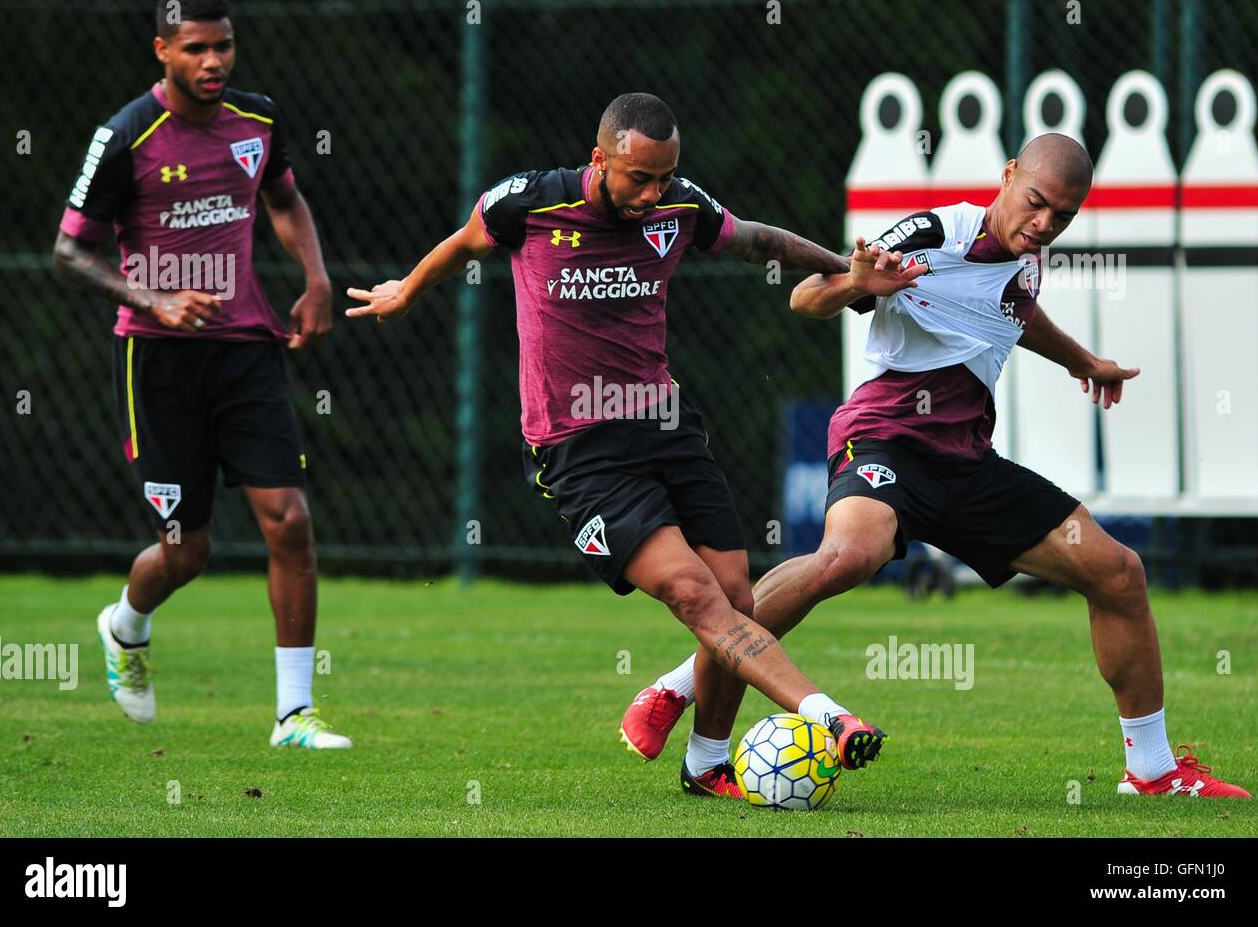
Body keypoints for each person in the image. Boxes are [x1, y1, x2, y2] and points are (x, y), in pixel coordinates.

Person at [630, 133, 1250, 798]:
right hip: (884, 439)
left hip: (966, 465)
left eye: (1063, 218)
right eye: (1037, 203)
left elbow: (1017, 310)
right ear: (1009, 174)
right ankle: (677, 686)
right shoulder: (931, 234)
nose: (1044, 225)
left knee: (1119, 573)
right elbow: (805, 296)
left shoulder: (1027, 261)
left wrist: (1082, 362)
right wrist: (855, 284)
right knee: (848, 558)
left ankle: (1152, 772)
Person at [346, 92, 921, 796]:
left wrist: (844, 270)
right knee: (695, 595)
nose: (653, 194)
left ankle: (707, 762)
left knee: (736, 595)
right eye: (638, 178)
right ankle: (831, 716)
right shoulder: (527, 205)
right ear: (600, 159)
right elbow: (463, 243)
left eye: (666, 177)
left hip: (665, 425)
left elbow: (759, 242)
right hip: (578, 450)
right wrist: (404, 290)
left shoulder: (682, 207)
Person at [53, 0, 350, 748]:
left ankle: (293, 715)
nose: (213, 60)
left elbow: (283, 200)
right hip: (157, 360)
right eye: (196, 48)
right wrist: (153, 299)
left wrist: (316, 280)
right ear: (163, 51)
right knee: (188, 550)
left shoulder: (258, 118)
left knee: (289, 521)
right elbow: (68, 249)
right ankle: (126, 626)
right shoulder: (125, 136)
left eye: (223, 45)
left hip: (247, 348)